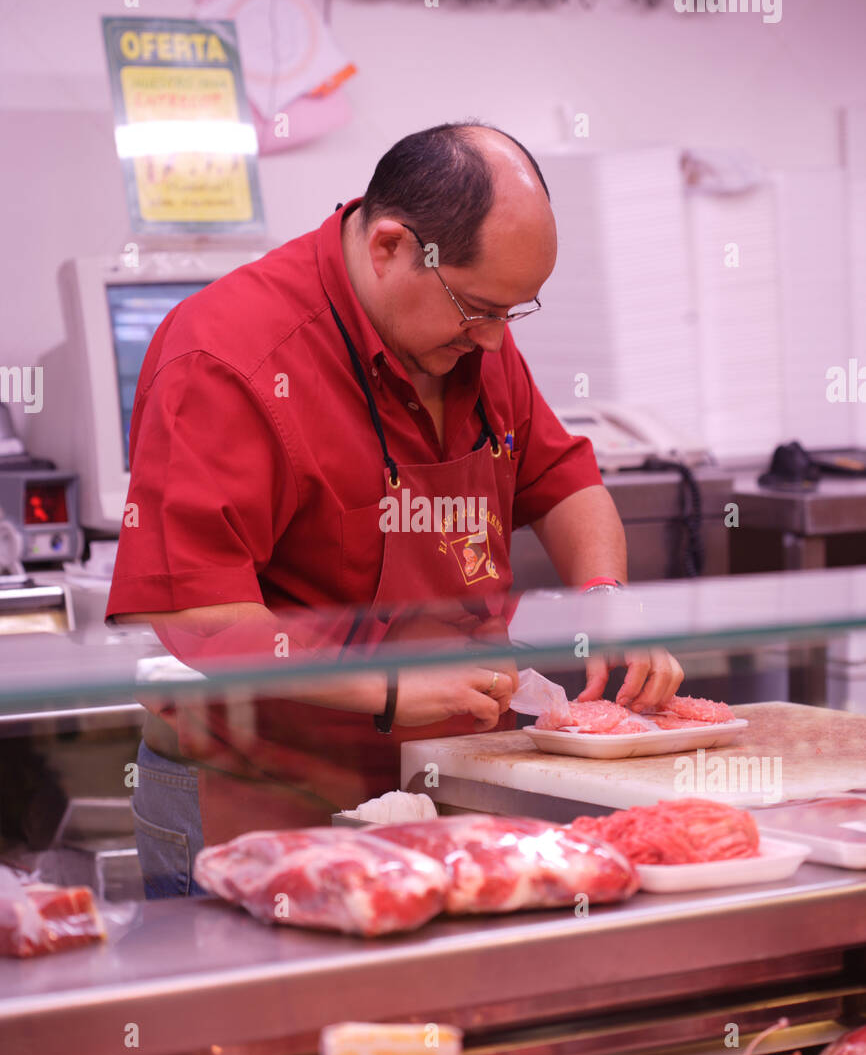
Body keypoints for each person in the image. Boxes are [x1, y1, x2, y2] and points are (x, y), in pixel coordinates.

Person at [107, 122, 683, 896]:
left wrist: (608, 599)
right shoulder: (227, 357)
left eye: (514, 312)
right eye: (478, 308)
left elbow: (562, 478)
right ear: (389, 248)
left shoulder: (470, 337)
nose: (495, 338)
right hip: (270, 798)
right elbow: (199, 614)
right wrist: (386, 685)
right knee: (274, 1017)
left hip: (456, 786)